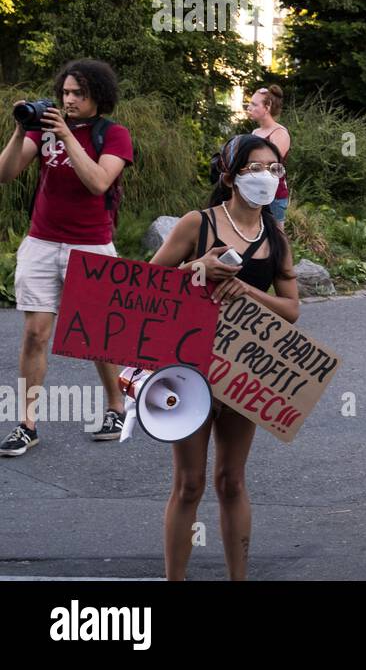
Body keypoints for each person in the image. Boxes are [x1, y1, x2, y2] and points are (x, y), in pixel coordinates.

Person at [150, 134, 299, 580]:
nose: (266, 178)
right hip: (188, 368)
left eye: (274, 170)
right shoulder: (198, 224)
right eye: (255, 169)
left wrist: (248, 291)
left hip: (243, 369)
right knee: (190, 483)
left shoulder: (276, 237)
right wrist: (195, 269)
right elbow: (145, 285)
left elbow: (291, 309)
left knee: (231, 482)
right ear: (230, 175)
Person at [0, 59, 134, 456]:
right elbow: (5, 173)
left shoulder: (114, 135)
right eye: (66, 92)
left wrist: (66, 136)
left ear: (98, 97)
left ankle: (116, 407)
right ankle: (26, 423)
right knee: (35, 333)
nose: (69, 100)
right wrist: (20, 129)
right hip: (42, 242)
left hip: (90, 245)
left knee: (98, 335)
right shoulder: (42, 132)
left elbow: (98, 182)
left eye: (79, 94)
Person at [246, 85, 290, 224]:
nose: (249, 107)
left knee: (277, 240)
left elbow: (269, 165)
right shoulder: (255, 133)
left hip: (274, 196)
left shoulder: (279, 133)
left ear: (267, 107)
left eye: (254, 104)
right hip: (254, 192)